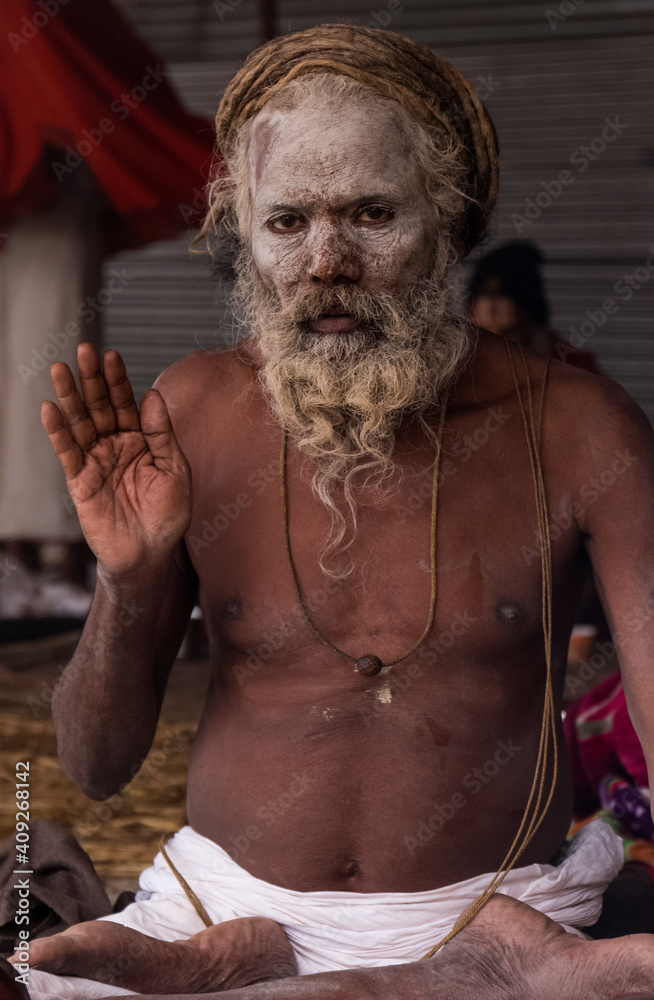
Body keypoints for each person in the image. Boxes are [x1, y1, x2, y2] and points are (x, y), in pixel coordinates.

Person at [8, 23, 654, 1000]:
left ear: (450, 223)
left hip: (492, 915)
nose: (327, 261)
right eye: (288, 222)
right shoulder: (192, 411)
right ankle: (249, 953)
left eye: (372, 214)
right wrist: (130, 577)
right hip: (211, 900)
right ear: (247, 232)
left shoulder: (579, 429)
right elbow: (95, 769)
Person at [467, 240, 603, 373]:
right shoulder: (464, 372)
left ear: (531, 318)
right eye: (485, 334)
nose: (497, 349)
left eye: (509, 335)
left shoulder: (576, 371)